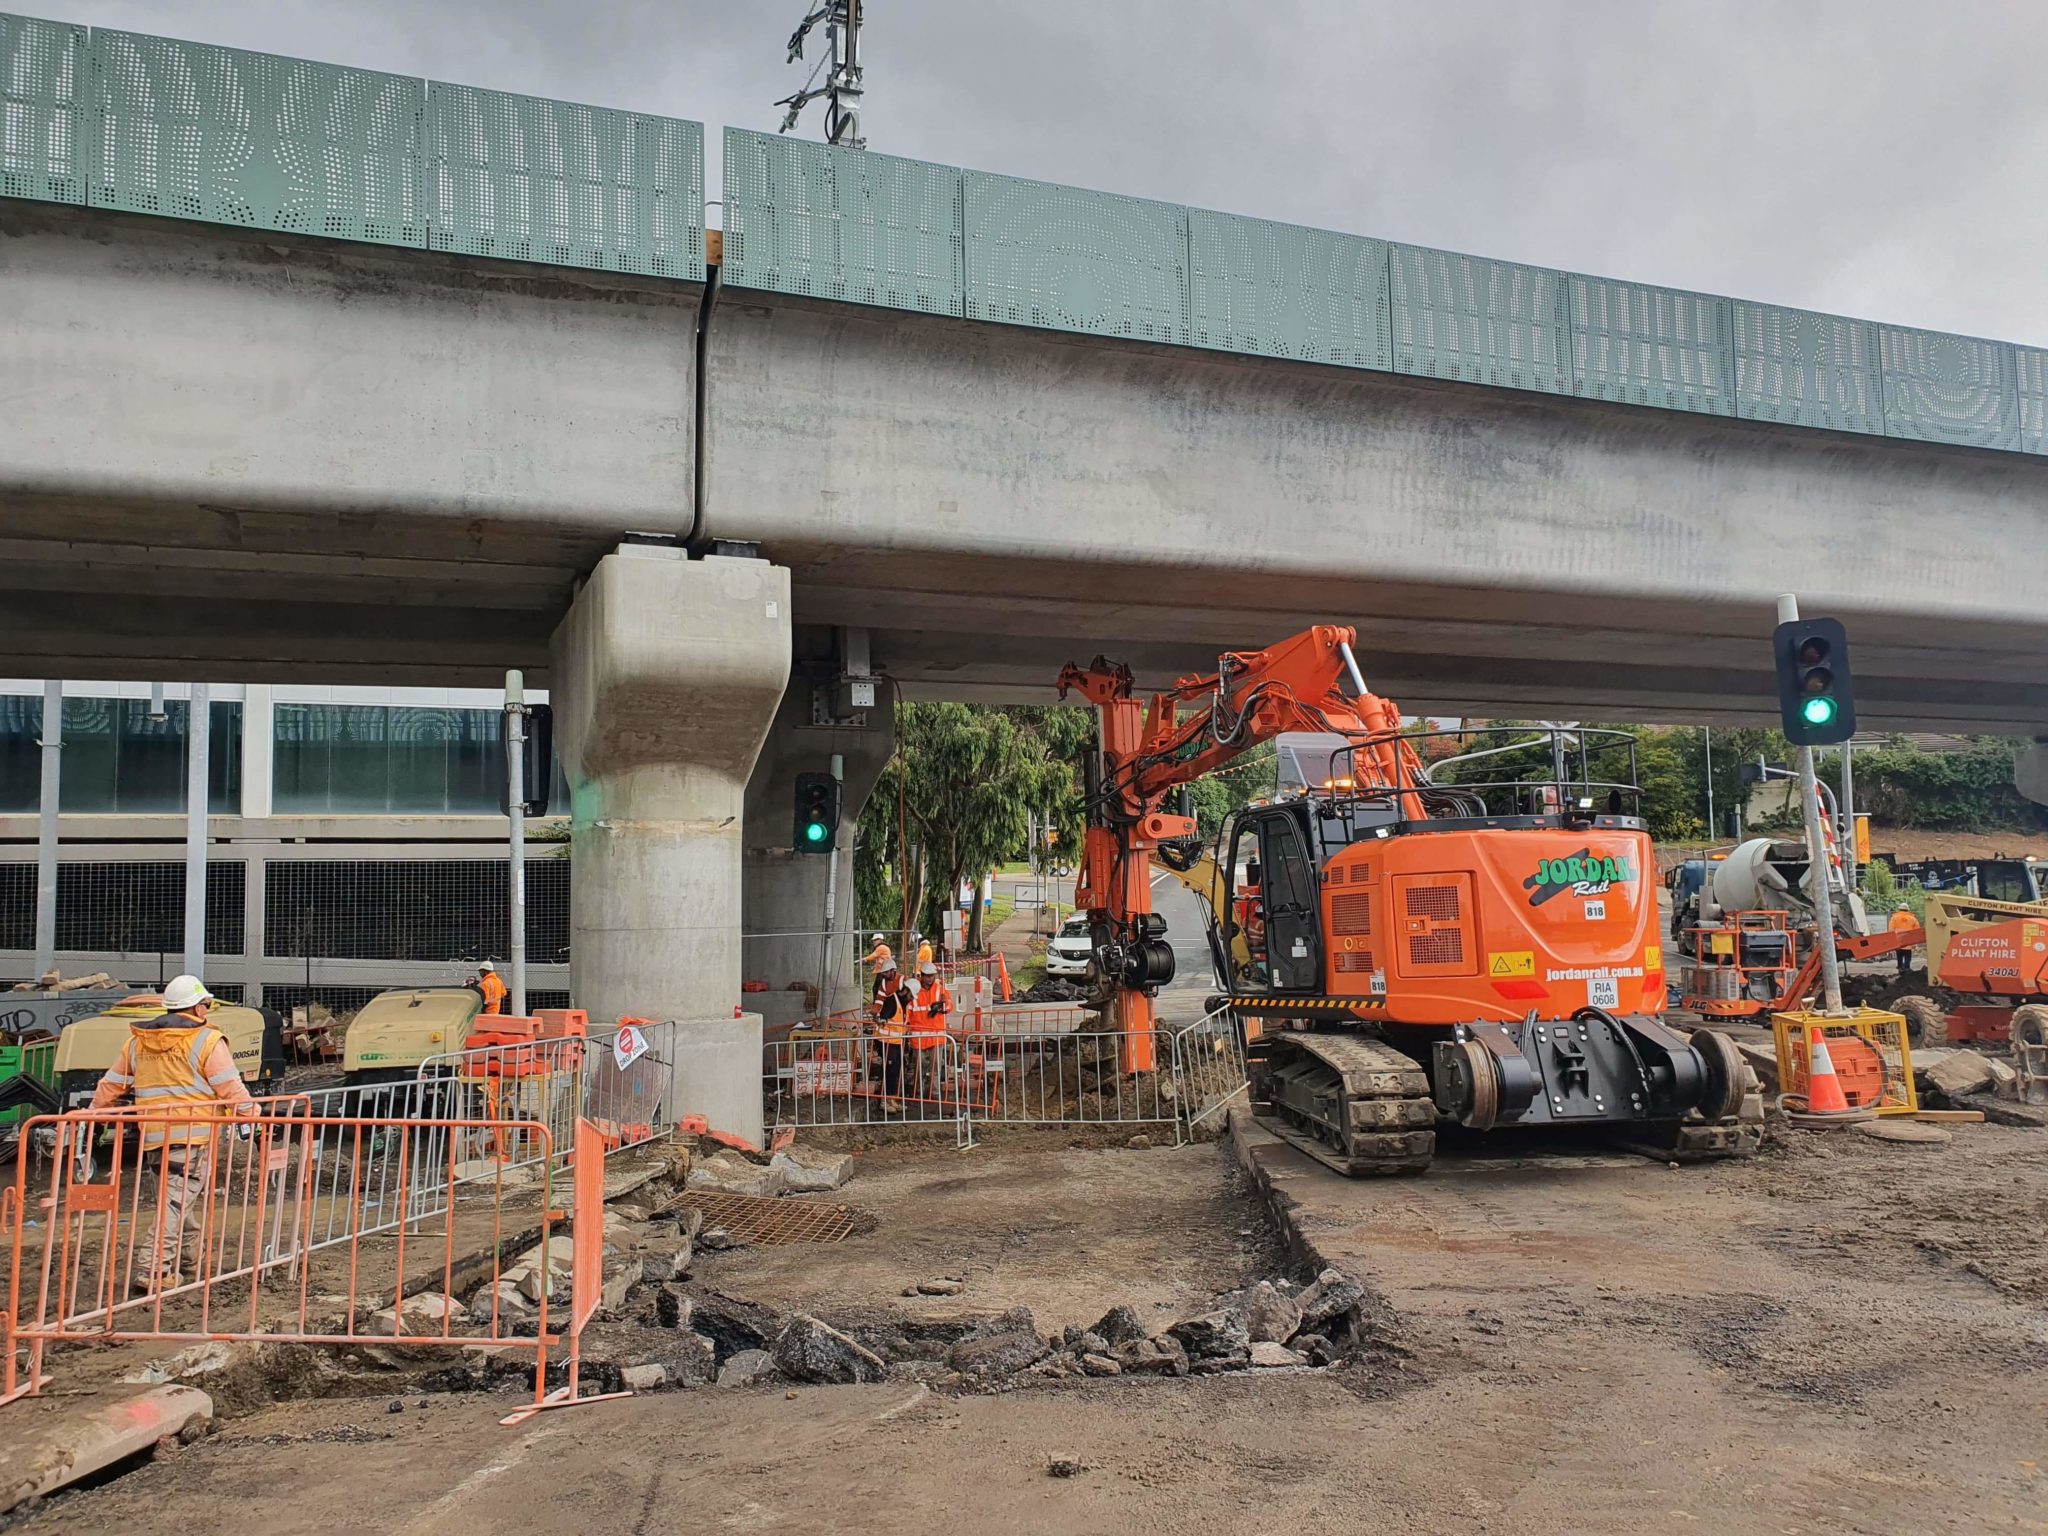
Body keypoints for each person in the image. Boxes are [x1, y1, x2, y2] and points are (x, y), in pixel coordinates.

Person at [91, 974, 255, 1293]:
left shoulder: (137, 1042)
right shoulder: (207, 1040)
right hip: (194, 1137)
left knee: (177, 1202)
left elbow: (110, 1084)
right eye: (206, 1004)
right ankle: (153, 1270)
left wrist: (93, 1114)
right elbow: (231, 1088)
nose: (207, 1010)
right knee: (174, 1204)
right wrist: (256, 1117)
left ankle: (189, 1261)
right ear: (197, 1007)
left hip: (154, 1136)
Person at [905, 961, 954, 1105]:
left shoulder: (940, 989)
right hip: (919, 1036)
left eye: (932, 976)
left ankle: (935, 1093)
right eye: (927, 976)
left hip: (937, 1036)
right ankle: (918, 1093)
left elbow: (949, 1004)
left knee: (936, 1068)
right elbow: (908, 1010)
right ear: (922, 976)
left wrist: (941, 1007)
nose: (930, 979)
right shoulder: (914, 990)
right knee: (919, 1068)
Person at [869, 958, 912, 1113]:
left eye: (887, 972)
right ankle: (885, 1100)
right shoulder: (891, 999)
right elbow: (880, 1005)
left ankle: (892, 1098)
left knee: (896, 1070)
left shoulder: (901, 991)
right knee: (890, 1070)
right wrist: (876, 1014)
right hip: (887, 1040)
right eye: (884, 973)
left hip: (896, 1039)